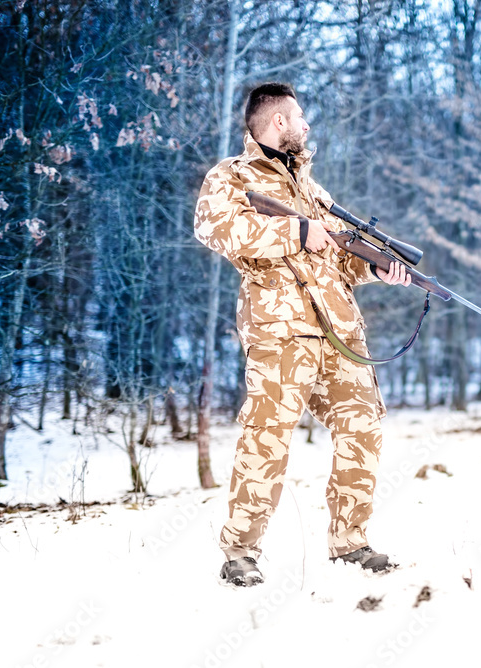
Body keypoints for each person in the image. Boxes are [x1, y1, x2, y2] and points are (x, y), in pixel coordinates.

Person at [194, 82, 411, 586]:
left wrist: (377, 269)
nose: (307, 125)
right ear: (277, 122)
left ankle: (349, 542)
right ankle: (240, 552)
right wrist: (295, 232)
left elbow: (336, 260)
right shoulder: (232, 177)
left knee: (363, 428)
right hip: (281, 335)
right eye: (299, 116)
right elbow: (216, 230)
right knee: (266, 437)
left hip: (339, 334)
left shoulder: (313, 192)